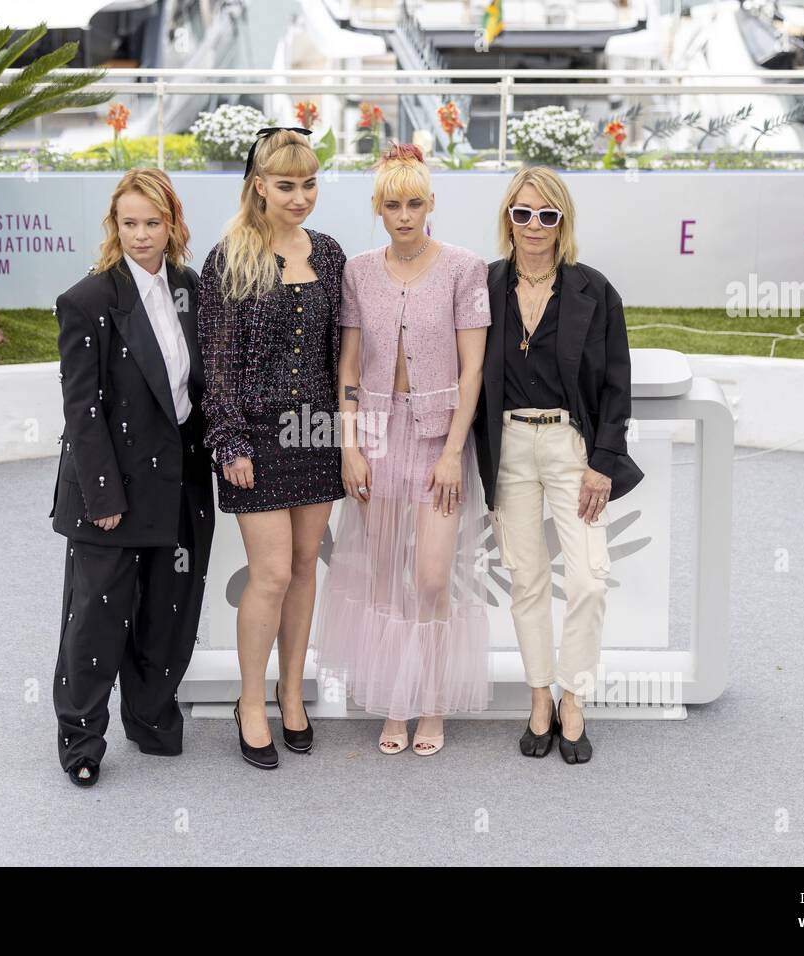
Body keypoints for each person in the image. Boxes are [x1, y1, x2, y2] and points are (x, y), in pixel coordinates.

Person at [312, 143, 492, 757]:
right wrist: (350, 444)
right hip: (378, 438)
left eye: (415, 203)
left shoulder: (465, 268)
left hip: (441, 437)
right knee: (385, 579)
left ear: (432, 204)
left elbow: (473, 372)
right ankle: (394, 703)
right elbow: (351, 365)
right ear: (378, 208)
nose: (405, 214)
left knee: (434, 578)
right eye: (393, 204)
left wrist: (452, 451)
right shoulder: (359, 271)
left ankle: (433, 703)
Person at [49, 168, 215, 787]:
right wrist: (102, 496)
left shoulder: (193, 291)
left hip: (178, 486)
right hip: (110, 489)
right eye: (129, 223)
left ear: (172, 224)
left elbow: (200, 391)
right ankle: (82, 742)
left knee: (168, 611)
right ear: (113, 227)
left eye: (152, 222)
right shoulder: (87, 300)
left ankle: (150, 719)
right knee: (96, 618)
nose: (141, 235)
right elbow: (82, 412)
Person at [474, 165, 644, 764]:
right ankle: (540, 698)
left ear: (562, 220)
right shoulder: (485, 285)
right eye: (523, 213)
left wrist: (603, 461)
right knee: (526, 581)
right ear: (508, 220)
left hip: (574, 449)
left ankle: (575, 696)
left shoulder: (594, 291)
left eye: (547, 215)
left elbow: (617, 385)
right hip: (509, 448)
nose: (535, 226)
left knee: (590, 580)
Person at [198, 127, 347, 769]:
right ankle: (251, 701)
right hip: (252, 439)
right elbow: (217, 360)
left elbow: (341, 352)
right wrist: (229, 438)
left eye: (309, 184)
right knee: (272, 572)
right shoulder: (228, 258)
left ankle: (292, 694)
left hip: (316, 434)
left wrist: (350, 433)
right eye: (286, 185)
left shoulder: (331, 253)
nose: (300, 197)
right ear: (258, 185)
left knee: (307, 565)